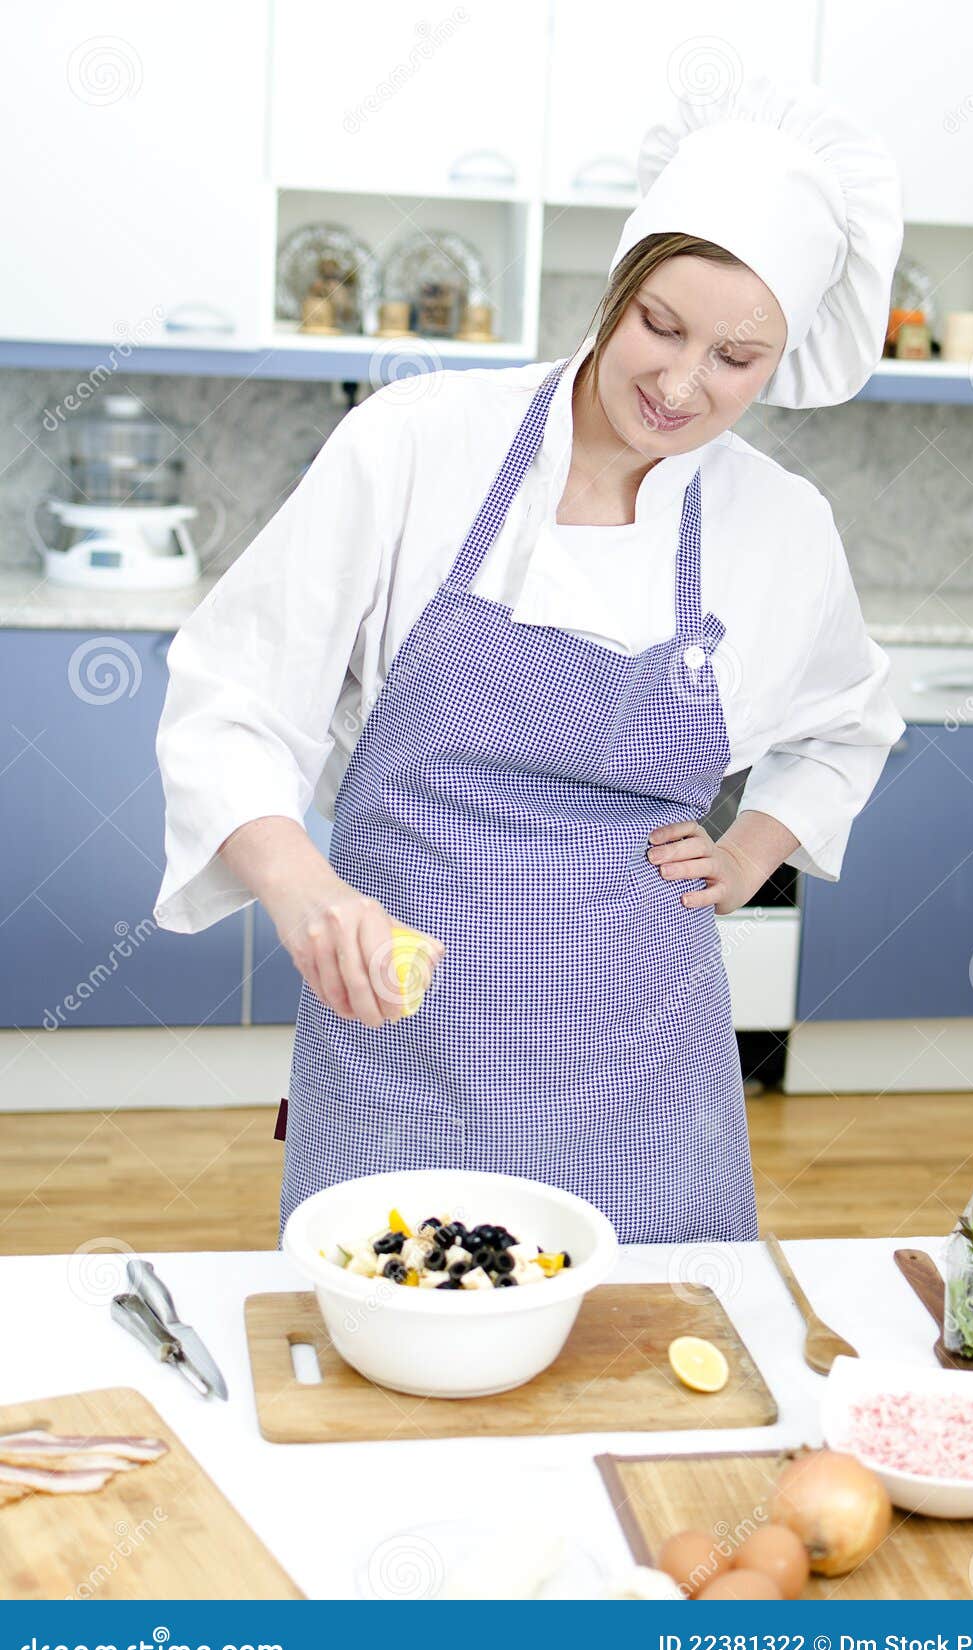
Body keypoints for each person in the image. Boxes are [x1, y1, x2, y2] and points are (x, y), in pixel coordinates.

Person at [153, 71, 907, 1246]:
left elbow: (851, 717)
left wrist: (754, 847)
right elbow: (230, 700)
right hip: (406, 1031)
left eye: (735, 359)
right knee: (395, 1339)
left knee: (646, 1361)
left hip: (642, 1051)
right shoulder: (415, 445)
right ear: (616, 285)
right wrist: (307, 895)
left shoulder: (782, 525)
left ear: (781, 360)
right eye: (660, 324)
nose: (678, 383)